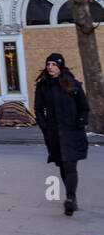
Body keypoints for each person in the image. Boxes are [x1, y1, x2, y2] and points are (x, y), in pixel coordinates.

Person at [34, 53, 90, 216]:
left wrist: (81, 122)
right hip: (54, 133)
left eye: (53, 64)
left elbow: (84, 107)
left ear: (60, 67)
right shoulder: (43, 86)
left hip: (72, 132)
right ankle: (70, 196)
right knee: (63, 164)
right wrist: (45, 127)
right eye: (48, 64)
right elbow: (38, 109)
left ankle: (71, 198)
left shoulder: (73, 84)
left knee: (70, 164)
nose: (50, 67)